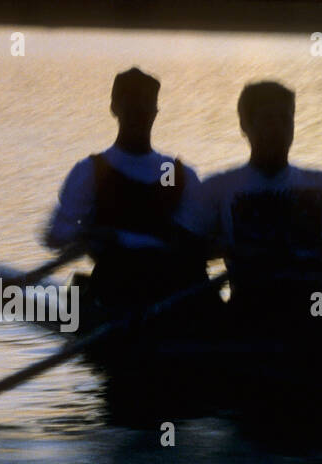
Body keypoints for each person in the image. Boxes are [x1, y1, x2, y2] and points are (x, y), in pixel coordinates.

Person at [181, 80, 322, 357]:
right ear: (245, 126)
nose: (279, 129)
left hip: (317, 307)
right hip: (251, 310)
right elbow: (181, 253)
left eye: (286, 119)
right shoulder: (218, 188)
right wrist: (227, 248)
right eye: (268, 120)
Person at [44, 67, 210, 321]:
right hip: (118, 291)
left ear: (155, 111)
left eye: (146, 103)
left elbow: (198, 234)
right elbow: (55, 237)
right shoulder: (92, 171)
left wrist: (119, 235)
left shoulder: (171, 171)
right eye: (131, 101)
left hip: (172, 292)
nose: (139, 110)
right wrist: (89, 233)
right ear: (114, 108)